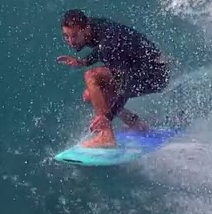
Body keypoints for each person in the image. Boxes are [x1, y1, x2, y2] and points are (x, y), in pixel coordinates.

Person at [57, 9, 170, 148]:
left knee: (92, 76)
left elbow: (126, 86)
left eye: (74, 36)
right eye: (66, 36)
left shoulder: (109, 45)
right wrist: (83, 62)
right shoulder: (93, 28)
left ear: (85, 29)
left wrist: (107, 117)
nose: (71, 41)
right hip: (141, 68)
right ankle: (137, 125)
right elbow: (100, 49)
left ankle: (106, 136)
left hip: (155, 74)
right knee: (91, 95)